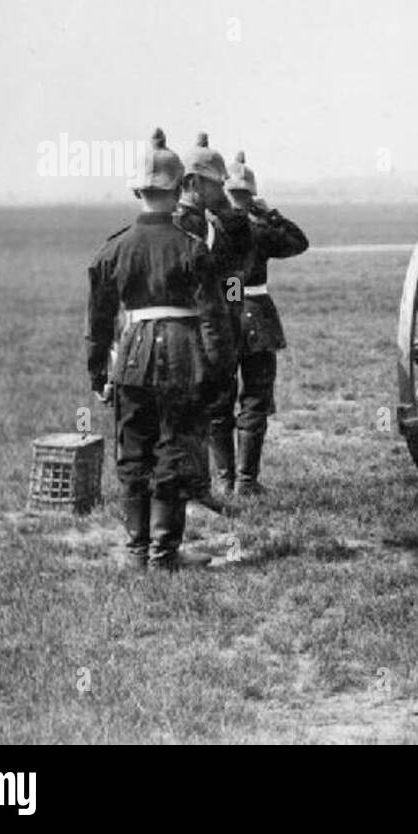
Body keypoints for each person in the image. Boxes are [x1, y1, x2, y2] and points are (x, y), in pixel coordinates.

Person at [85, 128, 234, 570]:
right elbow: (214, 320)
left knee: (134, 452)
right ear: (178, 189)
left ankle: (136, 552)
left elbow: (97, 323)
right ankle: (165, 552)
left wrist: (99, 374)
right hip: (183, 362)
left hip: (130, 360)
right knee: (174, 450)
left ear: (139, 190)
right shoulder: (193, 250)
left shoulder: (112, 250)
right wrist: (219, 374)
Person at [172, 133, 253, 506]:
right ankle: (189, 488)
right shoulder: (178, 226)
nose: (221, 190)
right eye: (214, 184)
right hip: (186, 335)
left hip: (213, 331)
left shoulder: (213, 225)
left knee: (218, 407)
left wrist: (232, 311)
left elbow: (235, 276)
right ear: (191, 183)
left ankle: (214, 483)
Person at [222, 151, 309, 495]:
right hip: (257, 317)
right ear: (252, 193)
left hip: (223, 317)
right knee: (255, 400)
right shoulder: (261, 230)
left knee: (219, 400)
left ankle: (225, 479)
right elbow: (300, 242)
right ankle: (246, 480)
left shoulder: (212, 228)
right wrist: (270, 212)